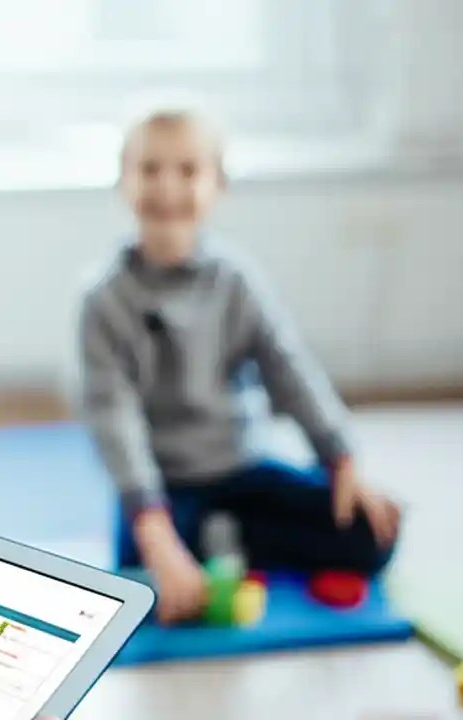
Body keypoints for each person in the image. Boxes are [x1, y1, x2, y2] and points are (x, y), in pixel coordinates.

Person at [78, 109, 404, 625]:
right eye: (150, 169)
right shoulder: (103, 300)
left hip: (241, 468)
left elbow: (288, 368)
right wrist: (153, 527)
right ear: (123, 180)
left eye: (187, 171)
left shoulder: (236, 280)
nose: (167, 186)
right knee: (140, 583)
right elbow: (112, 418)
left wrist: (340, 459)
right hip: (164, 489)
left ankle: (226, 537)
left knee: (372, 537)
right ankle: (214, 541)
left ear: (218, 185)